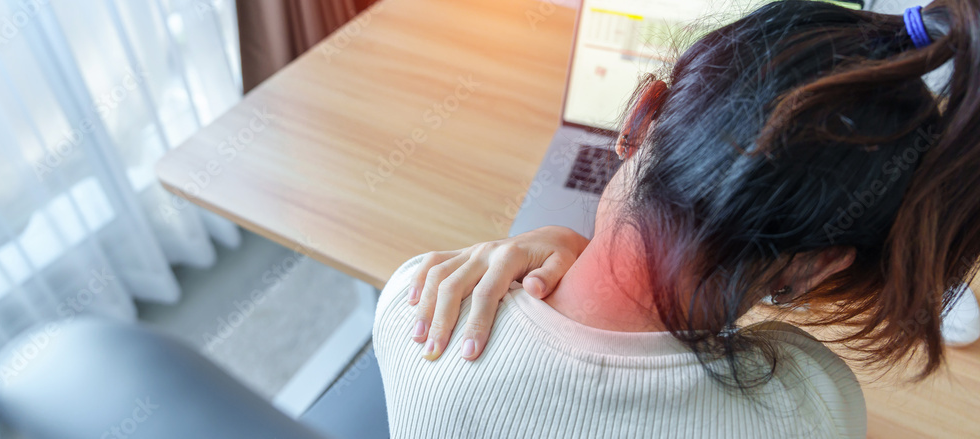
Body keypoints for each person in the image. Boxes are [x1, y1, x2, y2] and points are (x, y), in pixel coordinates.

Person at [373, 0, 980, 437]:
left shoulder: (418, 303)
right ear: (814, 268)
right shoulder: (812, 403)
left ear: (640, 114)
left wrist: (568, 244)